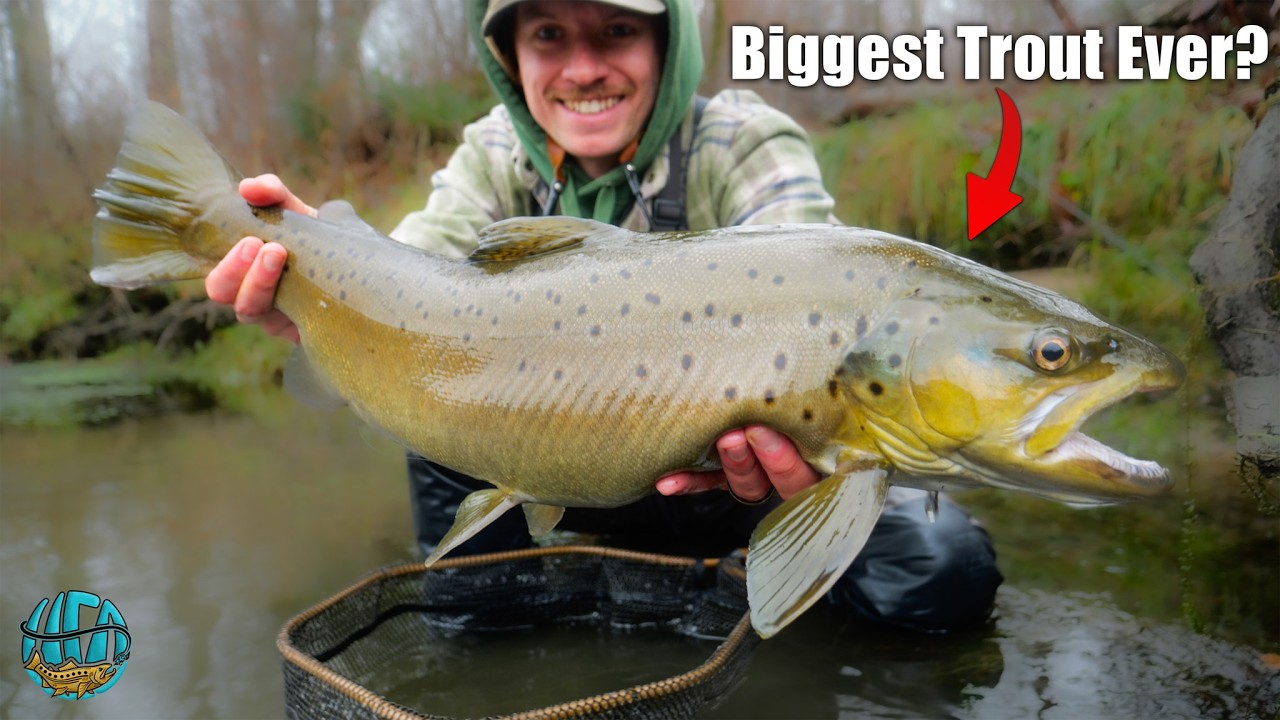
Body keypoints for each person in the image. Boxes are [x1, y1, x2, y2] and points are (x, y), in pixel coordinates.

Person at [205, 0, 1002, 633]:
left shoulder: (743, 139)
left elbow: (824, 291)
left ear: (666, 44)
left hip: (735, 475)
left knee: (937, 576)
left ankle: (758, 581)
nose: (584, 68)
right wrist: (316, 280)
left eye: (617, 30)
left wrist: (807, 479)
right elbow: (407, 273)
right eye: (549, 34)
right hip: (532, 447)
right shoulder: (490, 157)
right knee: (467, 608)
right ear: (510, 57)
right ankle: (503, 605)